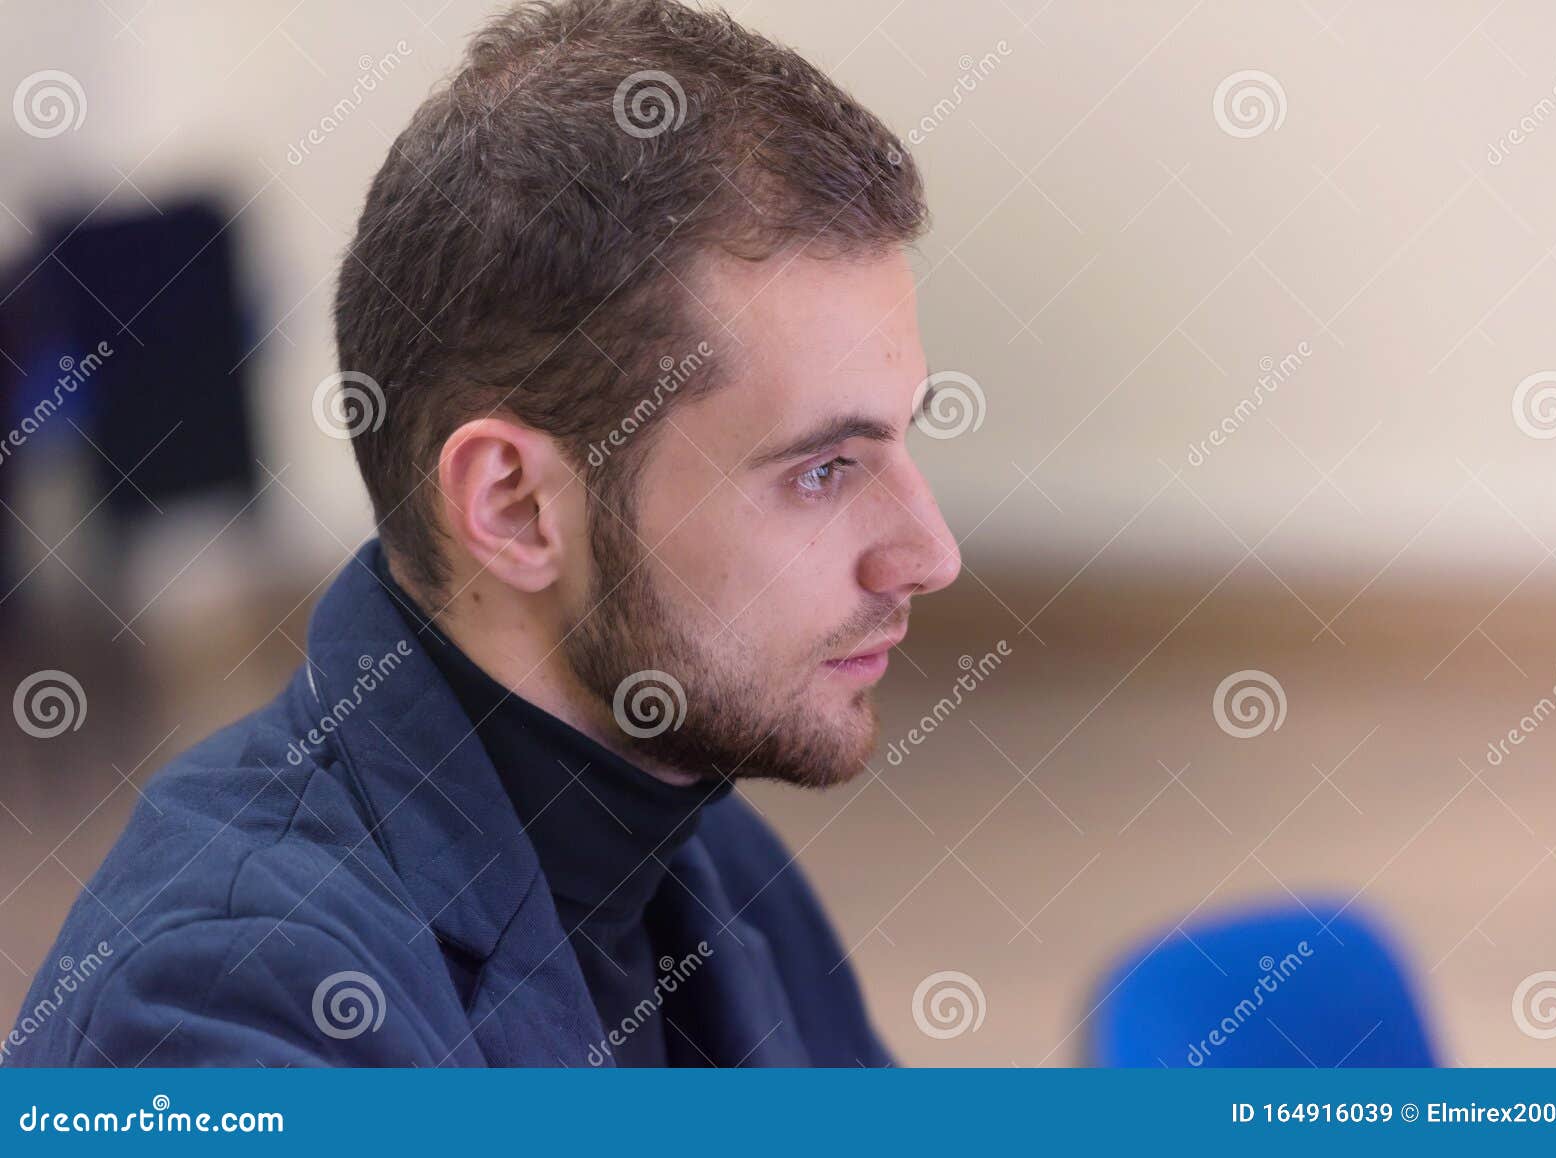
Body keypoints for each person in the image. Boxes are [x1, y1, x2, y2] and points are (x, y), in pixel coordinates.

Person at [8, 0, 960, 1066]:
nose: (930, 554)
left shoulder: (703, 848)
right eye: (823, 469)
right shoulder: (233, 1010)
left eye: (898, 447)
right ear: (512, 506)